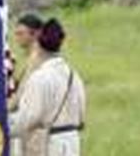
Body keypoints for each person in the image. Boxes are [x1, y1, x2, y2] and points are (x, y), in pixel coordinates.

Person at [11, 18, 87, 156]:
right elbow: (82, 115)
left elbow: (29, 118)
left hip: (51, 144)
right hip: (72, 142)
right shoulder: (74, 75)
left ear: (39, 45)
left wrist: (4, 125)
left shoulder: (40, 77)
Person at [11, 13, 47, 155]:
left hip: (35, 126)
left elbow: (23, 93)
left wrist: (3, 109)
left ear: (36, 34)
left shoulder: (37, 59)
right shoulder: (33, 58)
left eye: (21, 33)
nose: (17, 37)